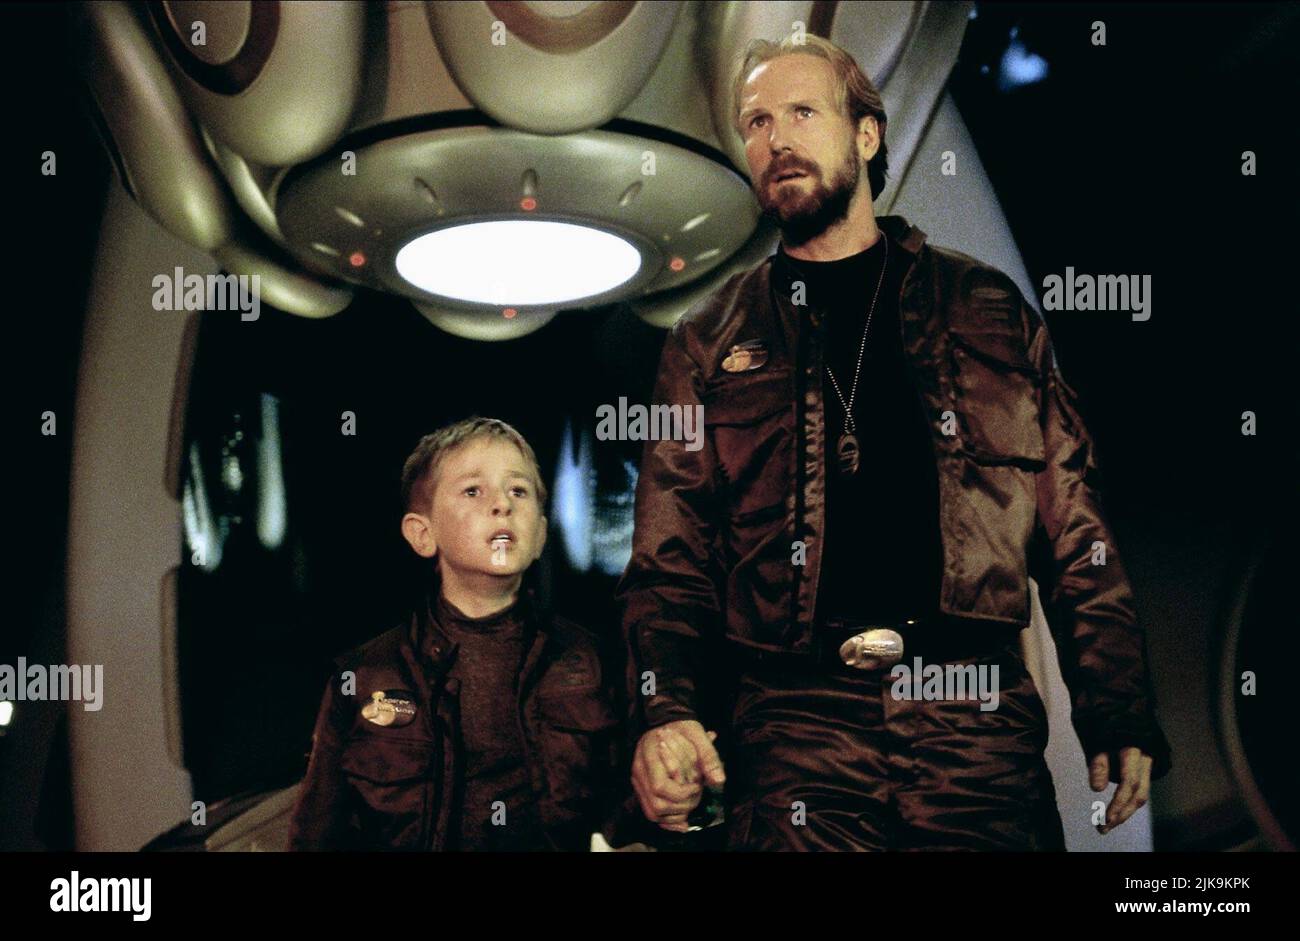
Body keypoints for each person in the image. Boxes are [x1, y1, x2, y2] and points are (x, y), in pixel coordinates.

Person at [616, 34, 1172, 850]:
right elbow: (669, 562)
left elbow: (1072, 524)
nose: (777, 139)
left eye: (803, 112)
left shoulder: (985, 307)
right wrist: (665, 709)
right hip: (794, 727)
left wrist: (1116, 705)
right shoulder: (708, 338)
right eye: (757, 122)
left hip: (976, 722)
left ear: (867, 135)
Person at [288, 417, 621, 851]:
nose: (502, 505)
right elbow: (315, 838)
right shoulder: (365, 676)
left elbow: (632, 813)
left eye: (518, 491)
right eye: (473, 491)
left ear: (540, 534)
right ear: (423, 534)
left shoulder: (592, 662)